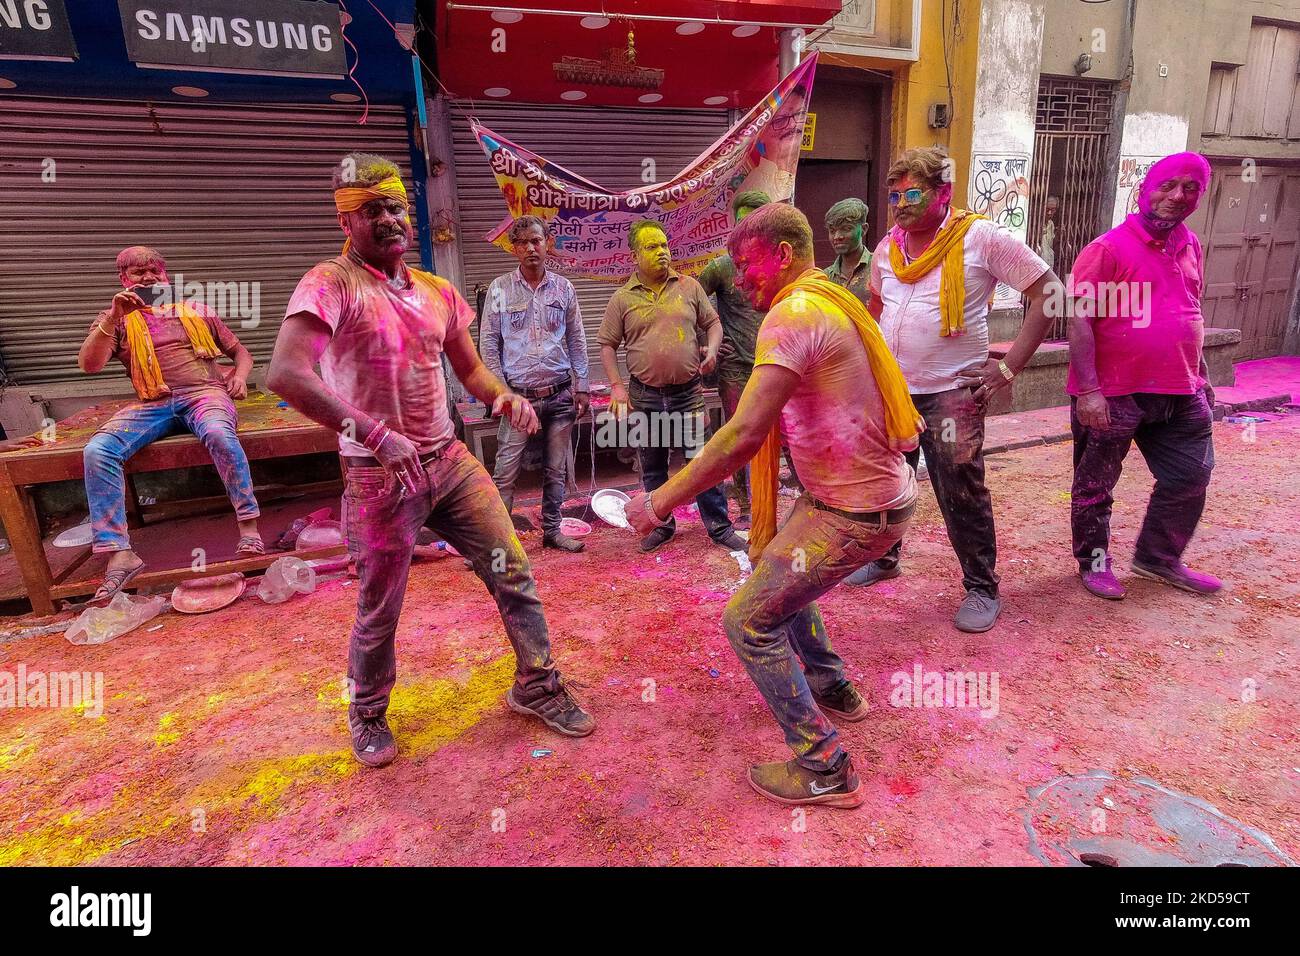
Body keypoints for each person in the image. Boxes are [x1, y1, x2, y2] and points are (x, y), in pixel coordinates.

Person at [269, 152, 595, 769]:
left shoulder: (437, 291)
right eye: (373, 211)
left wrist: (503, 397)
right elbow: (285, 373)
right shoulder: (330, 284)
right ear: (346, 221)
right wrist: (372, 435)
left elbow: (468, 368)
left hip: (448, 461)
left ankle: (537, 684)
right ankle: (366, 713)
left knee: (513, 569)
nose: (391, 219)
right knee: (380, 605)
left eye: (397, 207)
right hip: (378, 477)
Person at [626, 204, 923, 807]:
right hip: (852, 500)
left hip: (856, 513)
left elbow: (743, 436)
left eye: (745, 265)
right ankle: (832, 684)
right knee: (778, 580)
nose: (739, 281)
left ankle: (824, 766)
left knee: (749, 620)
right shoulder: (828, 298)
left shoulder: (794, 313)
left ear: (783, 255)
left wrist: (658, 503)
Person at [845, 147, 1059, 634]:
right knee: (886, 482)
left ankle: (982, 586)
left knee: (959, 491)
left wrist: (1007, 369)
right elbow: (877, 307)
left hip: (951, 396)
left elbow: (1050, 293)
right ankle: (885, 557)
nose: (900, 203)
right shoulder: (888, 248)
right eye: (894, 195)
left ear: (943, 193)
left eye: (912, 193)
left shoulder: (980, 238)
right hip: (894, 391)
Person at [1067, 151, 1221, 600]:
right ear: (1143, 191)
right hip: (1114, 393)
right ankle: (1094, 565)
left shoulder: (1191, 245)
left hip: (1181, 388)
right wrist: (1089, 391)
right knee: (1095, 487)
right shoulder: (1107, 249)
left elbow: (1190, 310)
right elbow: (1078, 319)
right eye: (1167, 185)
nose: (1177, 196)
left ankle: (1158, 558)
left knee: (1191, 475)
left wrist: (1203, 374)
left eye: (1190, 188)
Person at [77, 246, 263, 604]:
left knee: (218, 434)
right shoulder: (114, 320)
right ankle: (119, 553)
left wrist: (239, 376)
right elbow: (89, 365)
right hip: (154, 402)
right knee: (98, 450)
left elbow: (241, 352)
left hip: (205, 393)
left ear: (165, 275)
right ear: (123, 280)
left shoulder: (196, 311)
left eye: (154, 271)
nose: (148, 278)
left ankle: (249, 527)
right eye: (137, 273)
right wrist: (114, 315)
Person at [598, 218, 746, 553]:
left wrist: (710, 348)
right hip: (645, 397)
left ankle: (719, 527)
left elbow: (713, 323)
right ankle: (662, 526)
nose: (662, 252)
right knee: (652, 466)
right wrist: (616, 387)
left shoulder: (690, 287)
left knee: (703, 463)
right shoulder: (623, 298)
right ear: (635, 255)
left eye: (664, 245)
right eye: (652, 247)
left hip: (688, 395)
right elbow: (607, 345)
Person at [480, 215, 589, 552]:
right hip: (519, 400)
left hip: (559, 394)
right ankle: (498, 543)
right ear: (514, 249)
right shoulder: (499, 289)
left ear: (547, 244)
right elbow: (488, 344)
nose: (531, 248)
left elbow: (576, 338)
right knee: (504, 473)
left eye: (536, 241)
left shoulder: (564, 288)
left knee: (555, 470)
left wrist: (581, 385)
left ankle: (553, 531)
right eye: (523, 242)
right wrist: (503, 393)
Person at [697, 189, 771, 514]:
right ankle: (745, 506)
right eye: (742, 224)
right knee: (739, 439)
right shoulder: (723, 268)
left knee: (783, 438)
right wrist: (710, 342)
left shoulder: (779, 264)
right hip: (737, 369)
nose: (748, 232)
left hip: (778, 365)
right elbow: (692, 302)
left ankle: (772, 503)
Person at [822, 198, 872, 307]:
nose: (837, 237)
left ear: (864, 229)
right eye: (832, 231)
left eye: (846, 229)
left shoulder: (879, 268)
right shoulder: (825, 278)